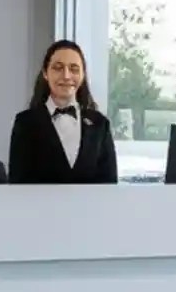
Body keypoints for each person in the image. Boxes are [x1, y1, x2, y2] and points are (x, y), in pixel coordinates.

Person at [9, 40, 118, 184]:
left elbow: (109, 185)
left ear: (83, 75)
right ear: (45, 73)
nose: (66, 76)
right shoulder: (25, 123)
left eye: (74, 69)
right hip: (40, 206)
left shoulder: (100, 124)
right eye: (58, 68)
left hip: (90, 206)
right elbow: (18, 184)